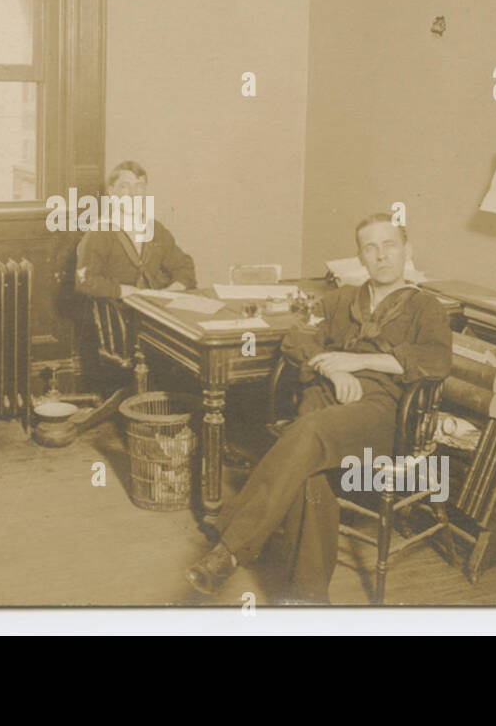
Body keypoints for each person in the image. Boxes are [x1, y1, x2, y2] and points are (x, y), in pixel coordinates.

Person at [185, 213, 452, 601]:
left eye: (389, 245)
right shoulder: (342, 299)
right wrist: (331, 366)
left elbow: (435, 361)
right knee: (310, 474)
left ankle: (229, 546)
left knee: (307, 432)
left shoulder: (426, 307)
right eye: (370, 248)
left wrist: (358, 363)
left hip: (380, 412)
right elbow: (297, 338)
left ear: (407, 250)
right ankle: (307, 601)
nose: (380, 256)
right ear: (360, 256)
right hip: (328, 394)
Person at [75, 160, 196, 298]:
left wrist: (172, 290)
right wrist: (119, 291)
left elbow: (184, 266)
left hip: (154, 306)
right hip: (119, 311)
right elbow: (84, 280)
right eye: (124, 187)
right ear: (111, 191)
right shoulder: (99, 233)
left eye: (139, 187)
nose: (132, 194)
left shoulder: (155, 229)